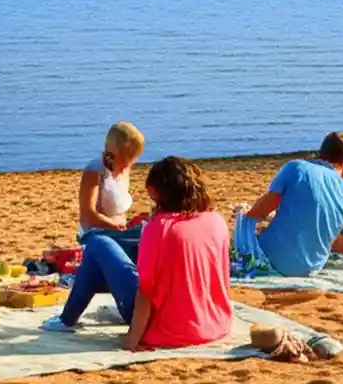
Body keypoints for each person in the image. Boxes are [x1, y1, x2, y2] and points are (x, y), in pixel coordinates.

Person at [42, 156, 233, 350]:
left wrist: (132, 340)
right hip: (215, 323)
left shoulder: (159, 228)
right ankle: (68, 317)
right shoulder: (216, 221)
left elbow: (145, 292)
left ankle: (67, 319)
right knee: (111, 250)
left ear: (158, 193)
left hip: (166, 329)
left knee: (98, 243)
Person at [241, 131, 343, 276]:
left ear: (321, 151)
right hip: (309, 270)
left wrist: (245, 213)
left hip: (271, 260)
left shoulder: (296, 168)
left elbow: (259, 211)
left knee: (246, 228)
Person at [76, 122, 146, 260]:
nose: (131, 161)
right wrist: (115, 225)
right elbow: (88, 214)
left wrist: (132, 222)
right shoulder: (95, 171)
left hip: (120, 232)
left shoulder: (125, 169)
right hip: (97, 235)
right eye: (129, 155)